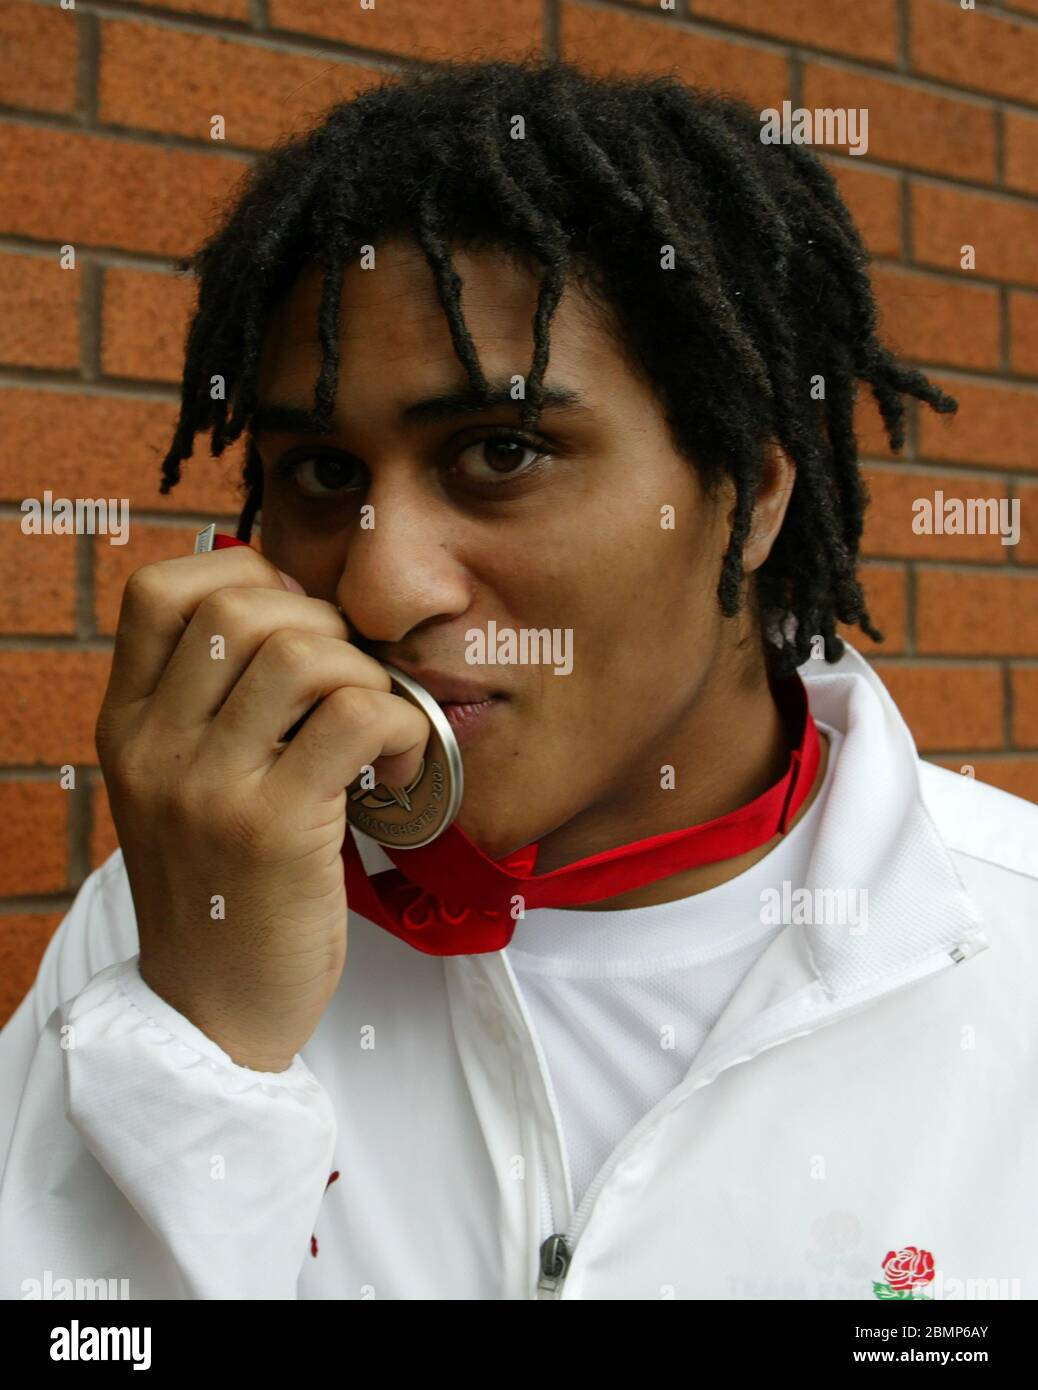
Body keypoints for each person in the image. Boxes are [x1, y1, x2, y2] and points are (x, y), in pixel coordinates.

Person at [2, 58, 1036, 1302]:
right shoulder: (171, 918)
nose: (381, 591)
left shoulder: (1009, 955)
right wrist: (197, 1047)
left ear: (754, 494)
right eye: (324, 473)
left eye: (502, 451)